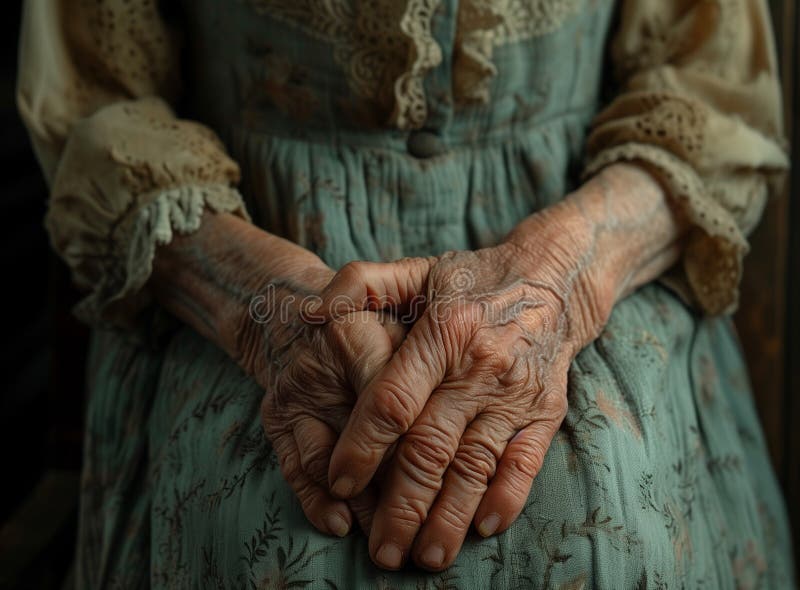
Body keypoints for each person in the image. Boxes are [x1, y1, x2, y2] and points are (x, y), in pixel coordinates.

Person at [18, 0, 794, 587]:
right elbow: (97, 100)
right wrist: (272, 309)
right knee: (259, 531)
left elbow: (709, 89)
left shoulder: (569, 272)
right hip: (237, 261)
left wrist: (558, 279)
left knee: (606, 526)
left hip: (587, 249)